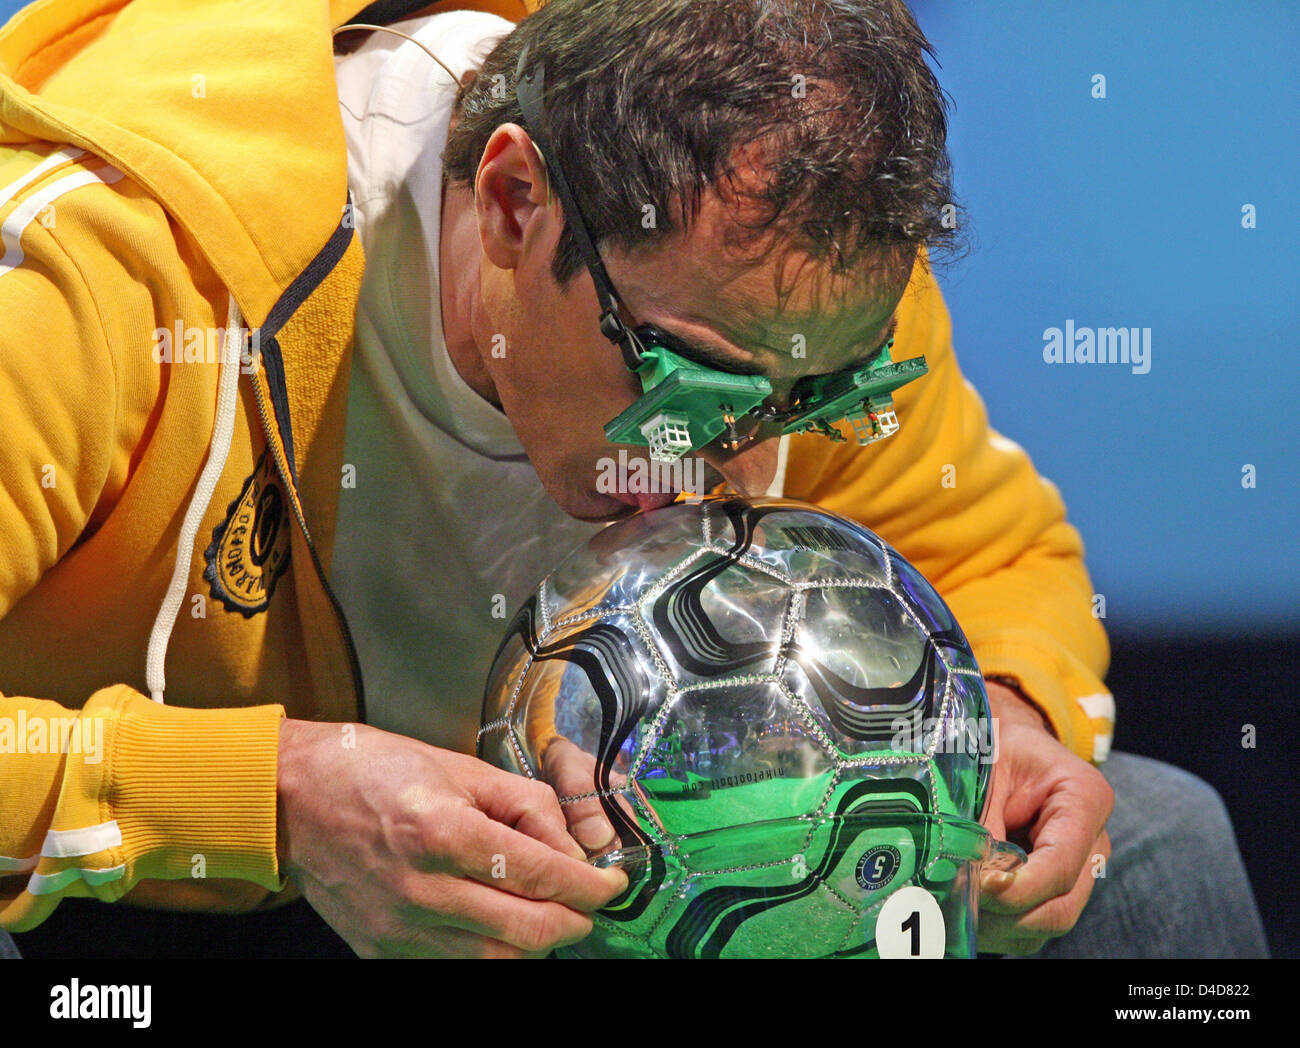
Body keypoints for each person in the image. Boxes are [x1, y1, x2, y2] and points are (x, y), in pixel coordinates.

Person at [0, 0, 1266, 959]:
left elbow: (998, 555)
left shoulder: (790, 295)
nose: (724, 464)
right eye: (694, 386)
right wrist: (263, 795)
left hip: (582, 900)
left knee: (1153, 845)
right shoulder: (110, 276)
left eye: (809, 399)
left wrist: (1010, 721)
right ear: (511, 202)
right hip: (147, 915)